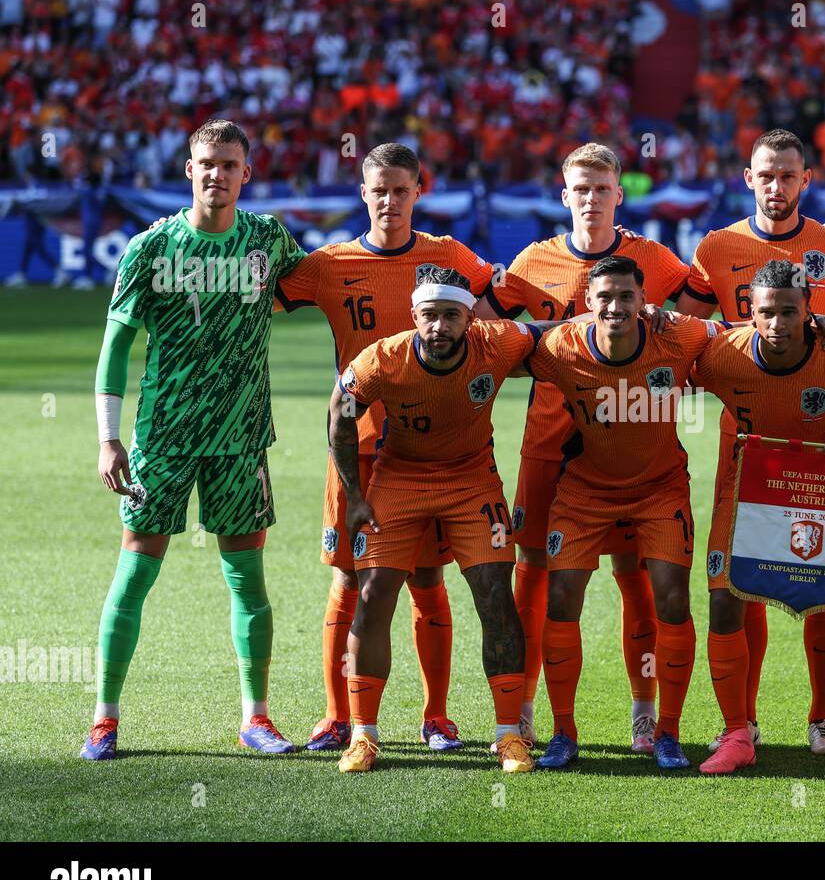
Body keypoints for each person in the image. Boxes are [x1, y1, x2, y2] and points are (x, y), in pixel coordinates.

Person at [274, 141, 541, 753]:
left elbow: (511, 299)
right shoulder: (329, 263)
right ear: (362, 194)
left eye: (401, 190)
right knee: (350, 581)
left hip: (440, 452)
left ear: (419, 191)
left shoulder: (448, 257)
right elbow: (260, 289)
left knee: (427, 578)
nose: (390, 201)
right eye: (379, 190)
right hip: (361, 451)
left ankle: (437, 715)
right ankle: (340, 717)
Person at [83, 119, 305, 760]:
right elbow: (116, 345)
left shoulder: (267, 240)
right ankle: (104, 718)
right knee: (134, 573)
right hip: (163, 437)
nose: (216, 174)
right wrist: (107, 438)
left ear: (246, 173)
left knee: (248, 580)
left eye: (229, 164)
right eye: (206, 162)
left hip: (240, 439)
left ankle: (256, 717)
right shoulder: (151, 248)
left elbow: (319, 288)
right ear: (188, 169)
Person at [475, 143, 690, 752]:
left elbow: (698, 321)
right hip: (549, 445)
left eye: (602, 188)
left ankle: (644, 709)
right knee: (535, 578)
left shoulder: (654, 260)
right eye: (580, 189)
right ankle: (520, 709)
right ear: (563, 195)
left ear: (619, 194)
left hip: (634, 445)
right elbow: (485, 331)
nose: (591, 199)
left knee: (636, 579)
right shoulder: (532, 261)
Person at [673, 128, 825, 756]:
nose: (777, 186)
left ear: (805, 180)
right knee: (740, 590)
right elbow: (690, 335)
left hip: (820, 462)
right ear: (748, 178)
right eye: (766, 175)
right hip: (746, 457)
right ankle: (743, 726)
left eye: (789, 175)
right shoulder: (717, 246)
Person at [328, 269, 556, 774]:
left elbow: (552, 330)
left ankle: (507, 736)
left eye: (451, 315)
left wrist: (624, 314)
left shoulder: (496, 343)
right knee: (372, 595)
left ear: (470, 319)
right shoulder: (380, 359)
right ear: (414, 317)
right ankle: (363, 736)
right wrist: (354, 495)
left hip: (472, 480)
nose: (439, 326)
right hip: (399, 479)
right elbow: (341, 414)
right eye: (429, 315)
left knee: (496, 593)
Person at [689, 259, 825, 775]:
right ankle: (738, 732)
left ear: (811, 311)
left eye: (790, 311)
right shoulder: (722, 356)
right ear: (751, 315)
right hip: (747, 497)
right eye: (768, 313)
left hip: (823, 495)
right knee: (724, 599)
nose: (779, 324)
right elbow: (668, 369)